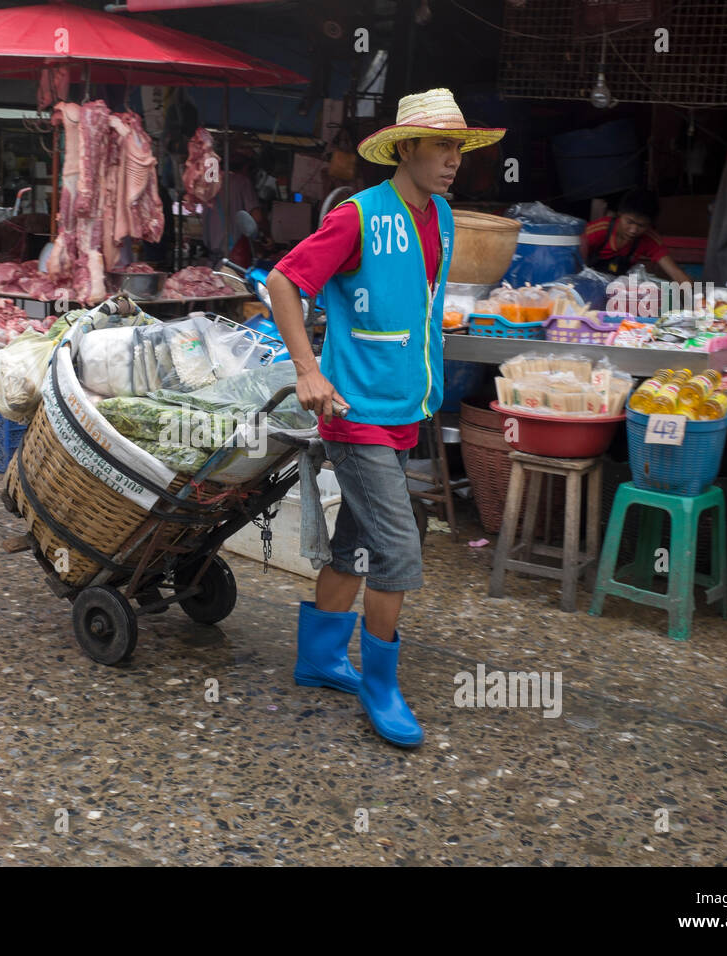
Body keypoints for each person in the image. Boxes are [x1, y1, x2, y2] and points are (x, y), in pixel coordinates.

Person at [265, 89, 505, 748]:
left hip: (405, 406)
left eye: (459, 148)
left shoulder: (445, 217)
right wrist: (308, 370)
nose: (453, 160)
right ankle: (380, 685)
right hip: (355, 411)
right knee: (400, 550)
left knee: (359, 545)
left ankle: (318, 659)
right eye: (441, 147)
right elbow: (284, 281)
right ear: (405, 149)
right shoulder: (357, 216)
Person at [580, 188, 692, 283]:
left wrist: (697, 297)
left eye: (641, 225)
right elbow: (573, 257)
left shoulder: (649, 238)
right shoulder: (600, 229)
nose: (633, 230)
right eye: (629, 222)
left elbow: (675, 272)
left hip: (619, 288)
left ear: (649, 224)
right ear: (620, 214)